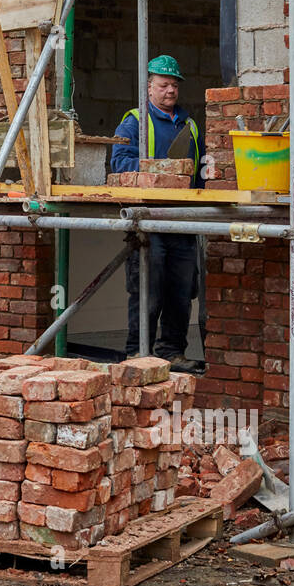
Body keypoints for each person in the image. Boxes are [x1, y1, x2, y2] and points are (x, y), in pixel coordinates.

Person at [110, 55, 206, 372]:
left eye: (174, 85)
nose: (170, 91)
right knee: (148, 293)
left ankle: (172, 353)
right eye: (164, 85)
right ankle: (138, 354)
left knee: (181, 293)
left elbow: (201, 171)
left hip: (182, 221)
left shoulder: (189, 125)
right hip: (148, 222)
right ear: (149, 87)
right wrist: (159, 171)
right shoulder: (135, 121)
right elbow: (118, 163)